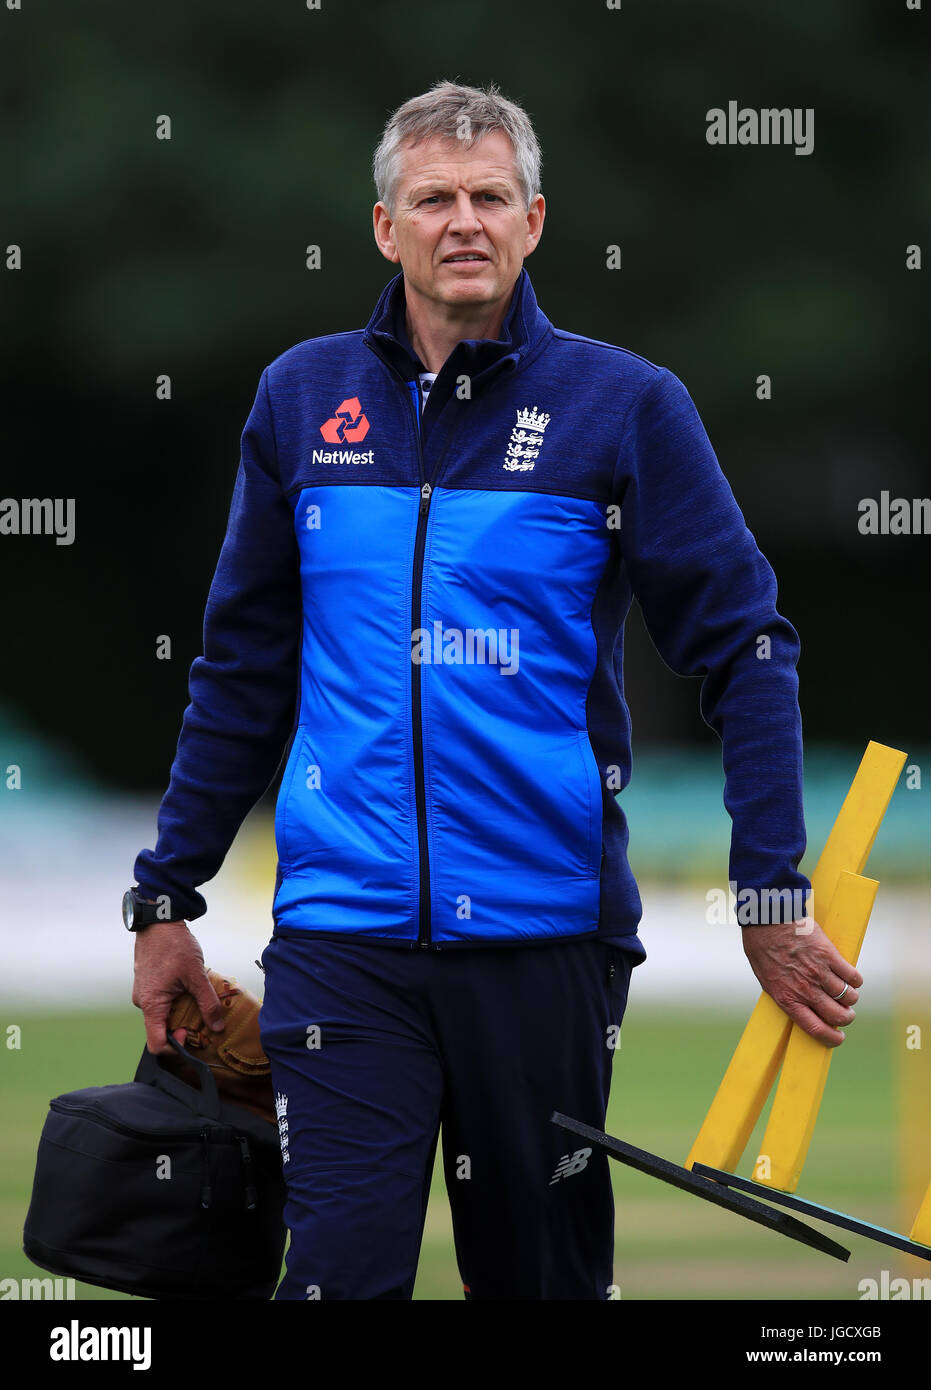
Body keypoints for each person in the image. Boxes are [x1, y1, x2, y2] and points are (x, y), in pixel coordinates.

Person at [126, 79, 862, 1300]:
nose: (461, 221)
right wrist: (163, 894)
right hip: (341, 939)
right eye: (432, 199)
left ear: (533, 222)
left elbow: (747, 648)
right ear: (383, 226)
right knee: (337, 1279)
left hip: (546, 945)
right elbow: (242, 668)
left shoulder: (626, 405)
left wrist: (769, 888)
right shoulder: (299, 400)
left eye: (488, 197)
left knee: (539, 1286)